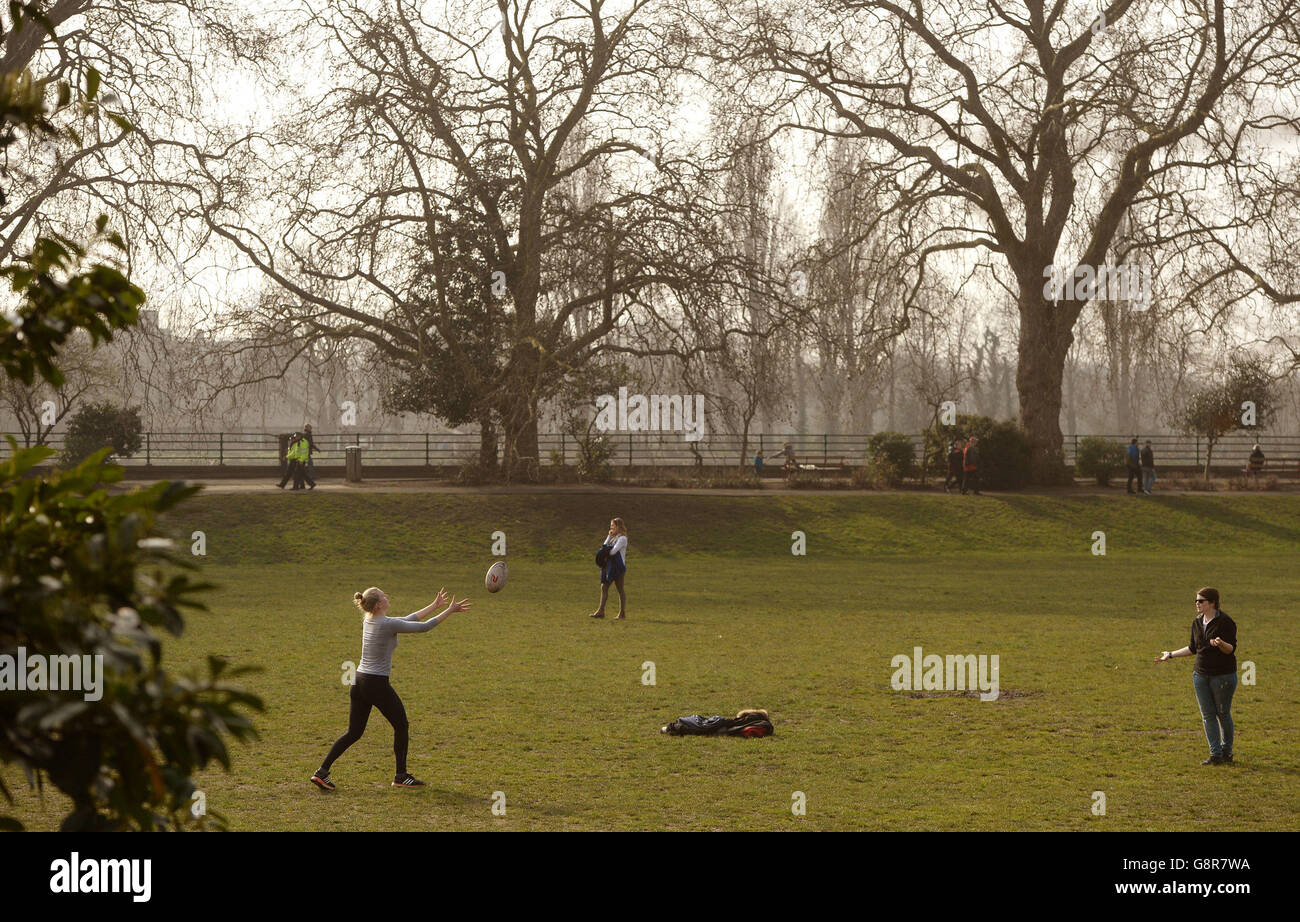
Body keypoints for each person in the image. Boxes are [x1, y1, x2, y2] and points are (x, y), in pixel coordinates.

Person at [312, 586, 471, 791]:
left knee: (354, 732)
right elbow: (424, 627)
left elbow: (407, 618)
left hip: (358, 681)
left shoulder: (370, 620)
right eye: (384, 596)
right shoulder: (386, 624)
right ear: (379, 604)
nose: (387, 597)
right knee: (401, 725)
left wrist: (434, 605)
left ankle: (321, 772)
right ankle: (401, 775)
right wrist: (450, 610)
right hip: (376, 684)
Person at [1155, 587, 1238, 765]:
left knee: (1223, 713)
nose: (1197, 604)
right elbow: (1193, 648)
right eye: (1196, 601)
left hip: (1222, 676)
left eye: (1201, 601)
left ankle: (1227, 752)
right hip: (1200, 675)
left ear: (1212, 603)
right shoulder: (1197, 622)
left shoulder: (1225, 622)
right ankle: (1215, 754)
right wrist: (1170, 654)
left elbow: (1230, 649)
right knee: (1208, 715)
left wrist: (1221, 643)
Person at [589, 517, 628, 620]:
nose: (611, 528)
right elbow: (604, 546)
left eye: (613, 526)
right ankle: (601, 611)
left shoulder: (622, 538)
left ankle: (622, 613)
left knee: (620, 589)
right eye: (611, 526)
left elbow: (613, 552)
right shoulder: (612, 537)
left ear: (618, 527)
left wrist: (605, 551)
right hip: (609, 566)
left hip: (618, 567)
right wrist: (609, 536)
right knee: (604, 587)